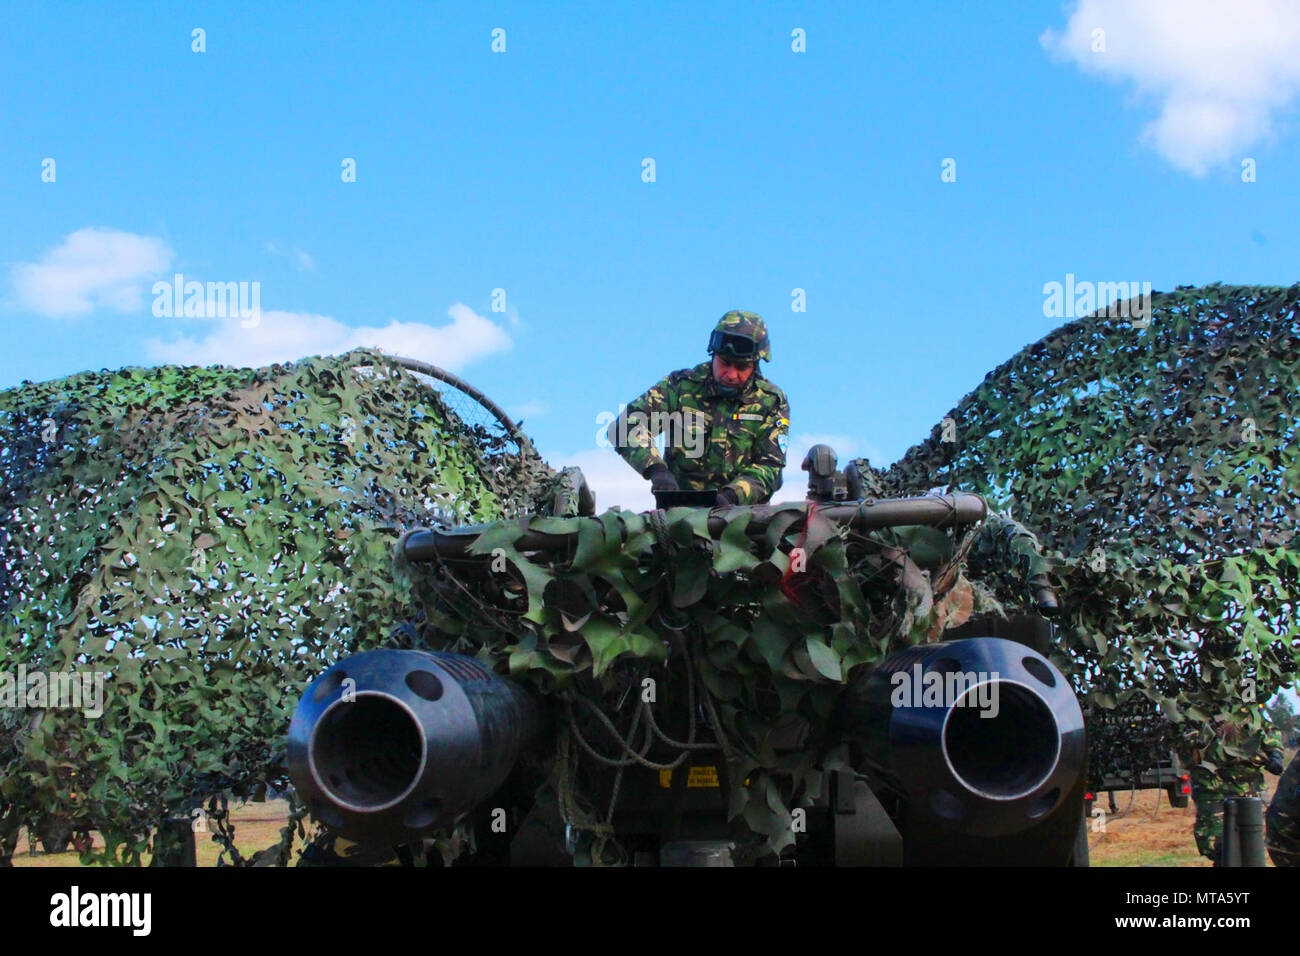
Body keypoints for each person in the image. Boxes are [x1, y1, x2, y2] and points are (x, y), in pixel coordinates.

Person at [607, 311, 789, 506]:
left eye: (741, 367)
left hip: (742, 522)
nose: (731, 374)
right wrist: (656, 470)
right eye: (725, 363)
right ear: (713, 355)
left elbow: (770, 466)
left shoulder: (771, 402)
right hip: (679, 518)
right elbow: (623, 428)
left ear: (755, 364)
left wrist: (731, 496)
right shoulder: (680, 387)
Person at [1190, 708, 1285, 861]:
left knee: (1253, 841)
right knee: (1219, 845)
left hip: (1249, 786)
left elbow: (1268, 729)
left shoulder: (1247, 705)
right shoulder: (1196, 705)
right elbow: (1183, 739)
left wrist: (1275, 753)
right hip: (1213, 786)